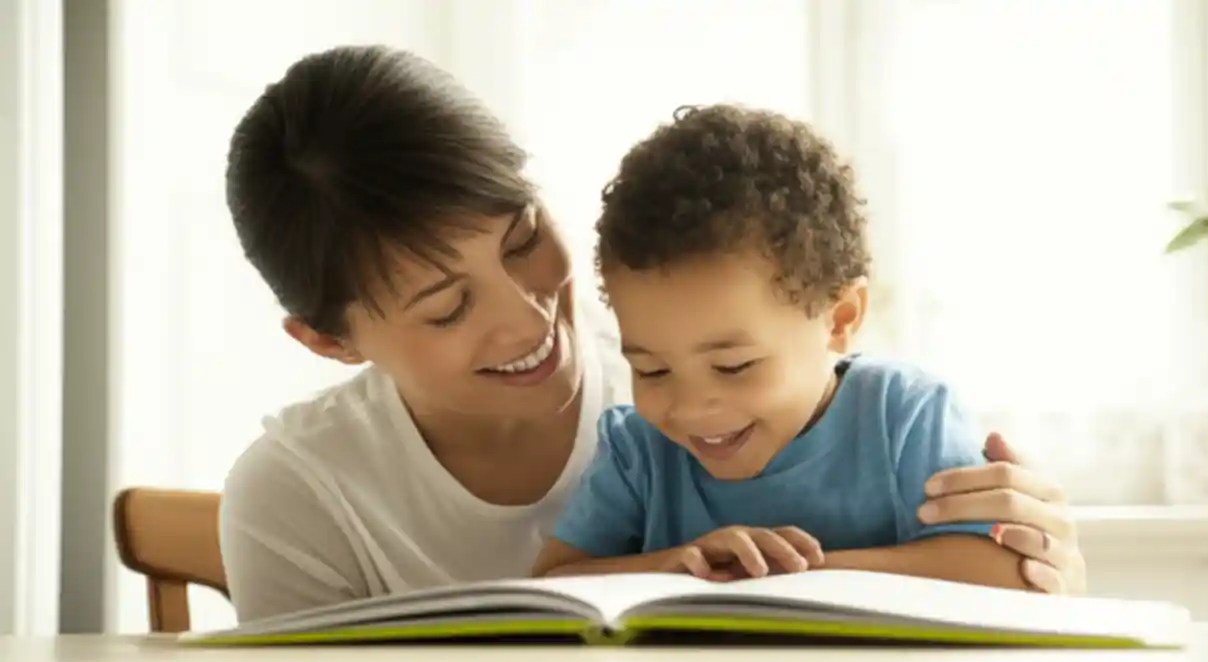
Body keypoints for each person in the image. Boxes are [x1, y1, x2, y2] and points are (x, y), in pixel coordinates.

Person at [220, 45, 1085, 624]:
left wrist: (1048, 576)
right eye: (448, 308)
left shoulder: (694, 344)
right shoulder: (300, 497)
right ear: (329, 341)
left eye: (524, 239)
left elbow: (1006, 584)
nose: (531, 317)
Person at [535, 105, 1021, 588]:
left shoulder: (905, 417)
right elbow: (553, 581)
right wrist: (680, 562)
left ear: (840, 319)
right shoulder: (637, 455)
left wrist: (778, 577)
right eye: (652, 371)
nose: (691, 408)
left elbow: (1001, 572)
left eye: (732, 366)